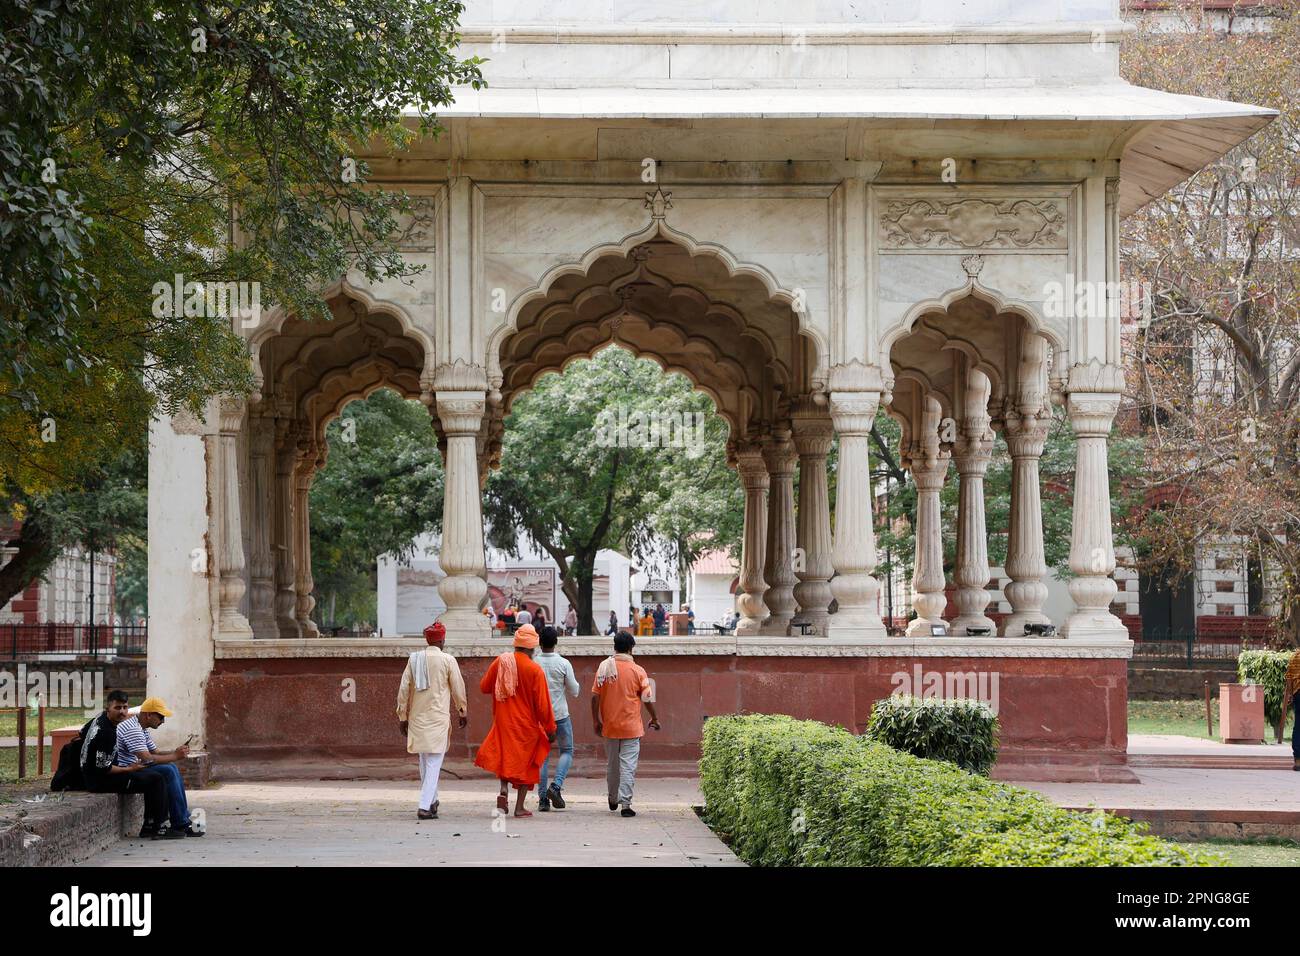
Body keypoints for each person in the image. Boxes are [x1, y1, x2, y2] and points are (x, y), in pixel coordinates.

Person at [474, 623, 557, 817]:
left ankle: (503, 789)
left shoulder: (502, 662)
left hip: (503, 721)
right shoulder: (535, 670)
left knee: (506, 758)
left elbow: (484, 687)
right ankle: (519, 807)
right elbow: (543, 706)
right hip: (527, 726)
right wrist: (551, 729)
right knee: (527, 765)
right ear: (532, 647)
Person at [397, 621, 468, 819]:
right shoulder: (448, 660)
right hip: (437, 718)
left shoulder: (414, 659)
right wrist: (462, 710)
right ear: (442, 640)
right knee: (433, 763)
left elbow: (403, 689)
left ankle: (432, 801)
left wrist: (402, 715)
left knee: (424, 761)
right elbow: (458, 688)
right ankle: (424, 806)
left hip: (417, 717)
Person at [80, 689, 173, 839]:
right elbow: (105, 769)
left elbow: (82, 732)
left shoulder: (100, 718)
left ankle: (149, 824)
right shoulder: (106, 732)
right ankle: (159, 827)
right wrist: (130, 768)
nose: (122, 712)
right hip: (100, 781)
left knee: (151, 776)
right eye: (117, 708)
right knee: (156, 779)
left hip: (95, 774)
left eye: (125, 707)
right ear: (108, 709)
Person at [591, 631, 660, 817]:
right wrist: (654, 718)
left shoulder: (604, 668)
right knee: (628, 766)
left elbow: (594, 697)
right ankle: (626, 804)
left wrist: (596, 720)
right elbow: (647, 699)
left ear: (615, 647)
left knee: (613, 765)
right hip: (631, 727)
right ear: (631, 648)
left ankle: (613, 798)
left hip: (610, 725)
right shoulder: (638, 671)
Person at [113, 697, 202, 837]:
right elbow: (147, 758)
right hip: (126, 770)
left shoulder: (141, 726)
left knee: (171, 767)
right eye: (160, 717)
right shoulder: (132, 729)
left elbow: (155, 752)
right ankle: (180, 822)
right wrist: (175, 756)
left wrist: (175, 752)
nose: (163, 721)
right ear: (148, 715)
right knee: (168, 770)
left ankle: (183, 818)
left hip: (136, 767)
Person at [535, 626, 580, 811]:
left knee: (542, 758)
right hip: (560, 715)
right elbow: (575, 690)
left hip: (539, 717)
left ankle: (543, 799)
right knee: (567, 750)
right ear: (556, 642)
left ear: (539, 642)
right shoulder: (563, 663)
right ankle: (556, 785)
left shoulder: (533, 662)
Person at [1285, 650, 1300, 772]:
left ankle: (1298, 761)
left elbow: (1288, 677)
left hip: (1298, 694)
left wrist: (1290, 694)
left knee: (1298, 726)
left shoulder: (1295, 656)